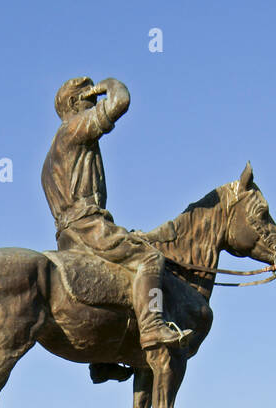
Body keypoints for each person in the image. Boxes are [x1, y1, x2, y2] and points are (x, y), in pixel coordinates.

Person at [41, 76, 191, 350]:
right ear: (74, 103)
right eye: (89, 98)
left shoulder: (49, 156)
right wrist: (107, 84)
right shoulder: (73, 129)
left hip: (66, 236)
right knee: (150, 259)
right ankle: (153, 326)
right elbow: (120, 100)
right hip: (88, 225)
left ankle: (103, 359)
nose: (94, 102)